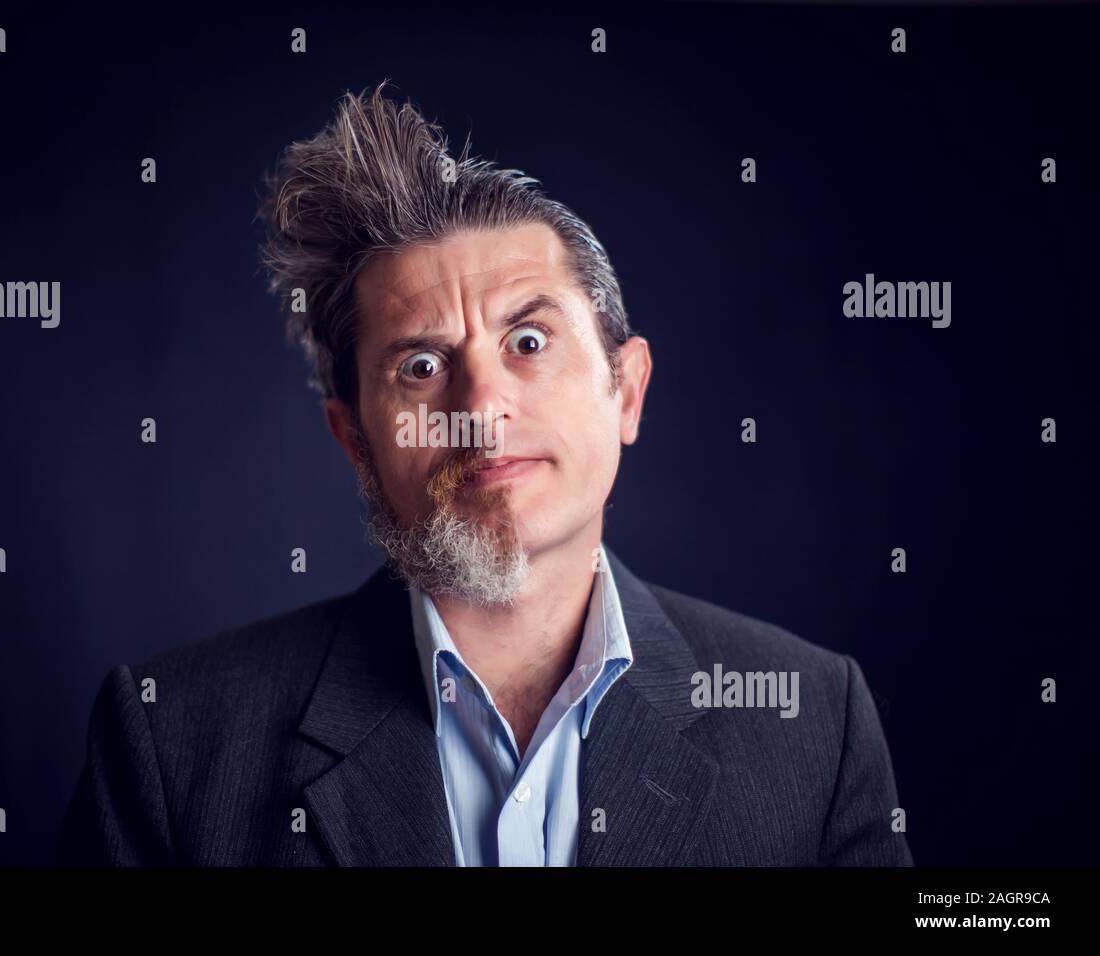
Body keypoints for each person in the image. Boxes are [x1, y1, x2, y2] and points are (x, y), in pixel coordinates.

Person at [56, 82, 913, 867]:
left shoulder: (813, 723)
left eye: (528, 342)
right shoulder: (172, 741)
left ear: (628, 390)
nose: (482, 407)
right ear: (355, 439)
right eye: (421, 366)